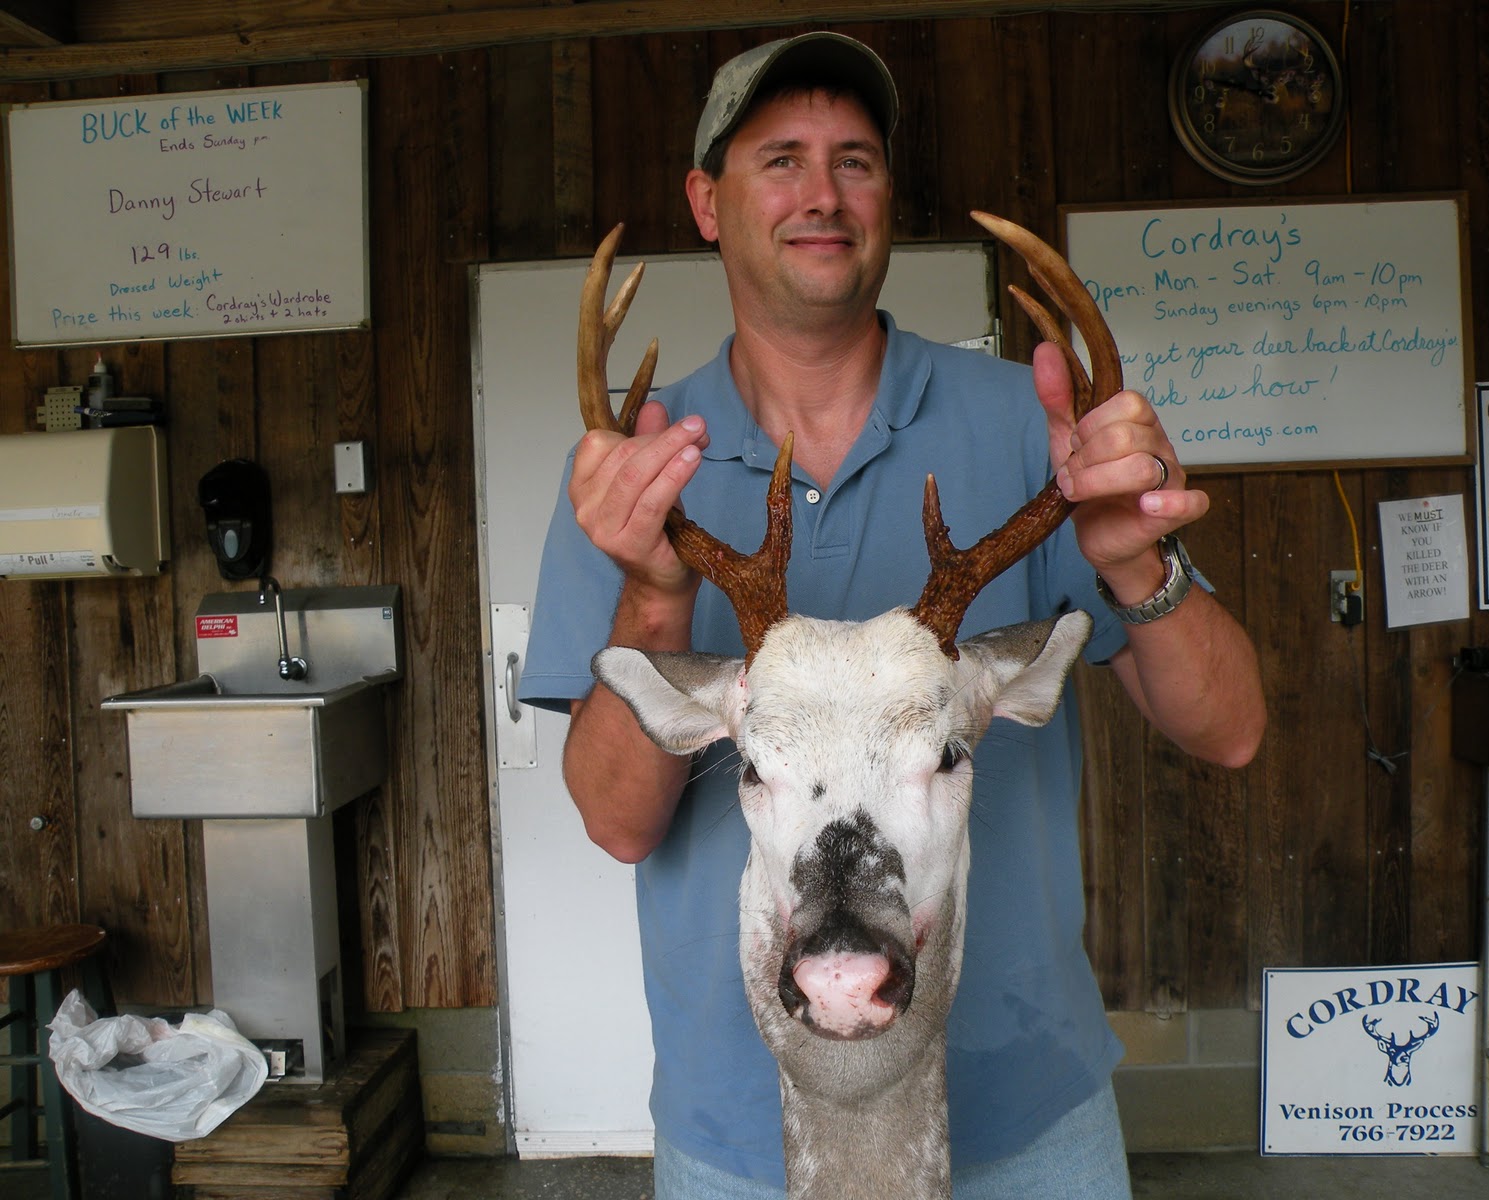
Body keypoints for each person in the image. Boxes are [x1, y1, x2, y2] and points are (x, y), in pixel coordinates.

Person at [522, 31, 1266, 1200]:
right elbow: (619, 823)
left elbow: (1229, 731)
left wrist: (1136, 563)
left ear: (885, 200)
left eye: (854, 160)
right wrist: (656, 593)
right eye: (781, 160)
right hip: (742, 1133)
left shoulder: (1030, 431)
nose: (822, 194)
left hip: (1026, 1118)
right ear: (707, 202)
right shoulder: (635, 475)